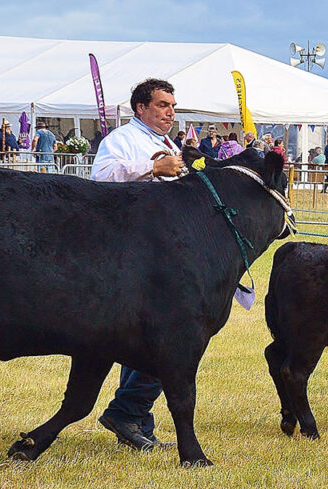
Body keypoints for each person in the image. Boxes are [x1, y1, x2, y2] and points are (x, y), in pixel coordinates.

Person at [90, 78, 187, 451]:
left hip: (162, 250)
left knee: (146, 337)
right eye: (162, 105)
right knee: (168, 337)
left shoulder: (166, 144)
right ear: (141, 108)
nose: (170, 112)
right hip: (133, 253)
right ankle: (128, 412)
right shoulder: (121, 141)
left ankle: (136, 422)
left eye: (172, 106)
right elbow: (102, 178)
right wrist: (151, 169)